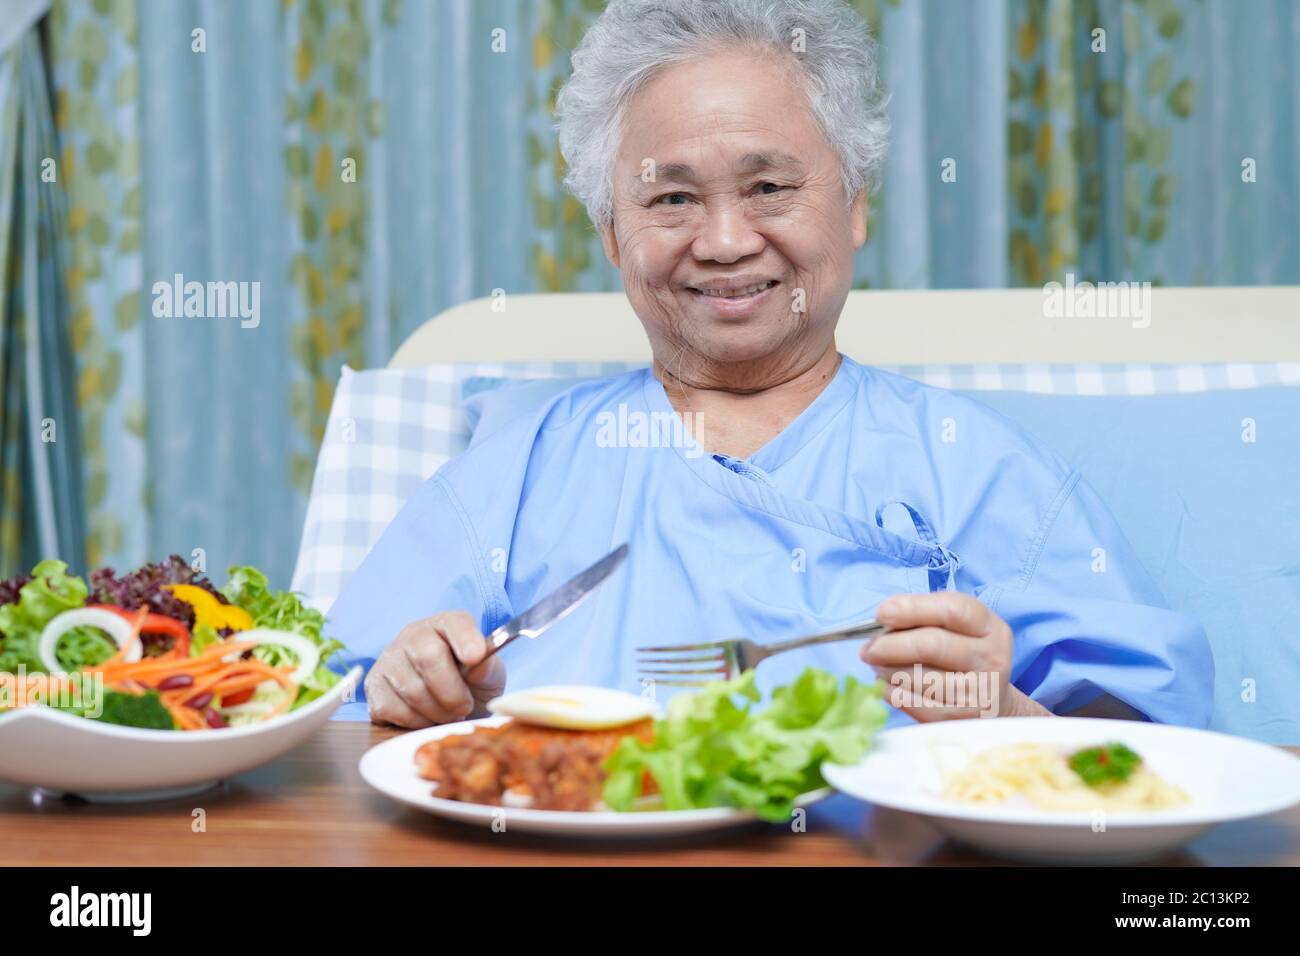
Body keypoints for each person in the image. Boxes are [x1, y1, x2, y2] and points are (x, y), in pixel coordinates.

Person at [327, 0, 1212, 730]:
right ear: (611, 233)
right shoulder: (513, 478)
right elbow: (327, 711)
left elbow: (1157, 762)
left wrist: (1009, 720)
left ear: (856, 204)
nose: (723, 241)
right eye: (671, 198)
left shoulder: (979, 469)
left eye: (768, 188)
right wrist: (401, 696)